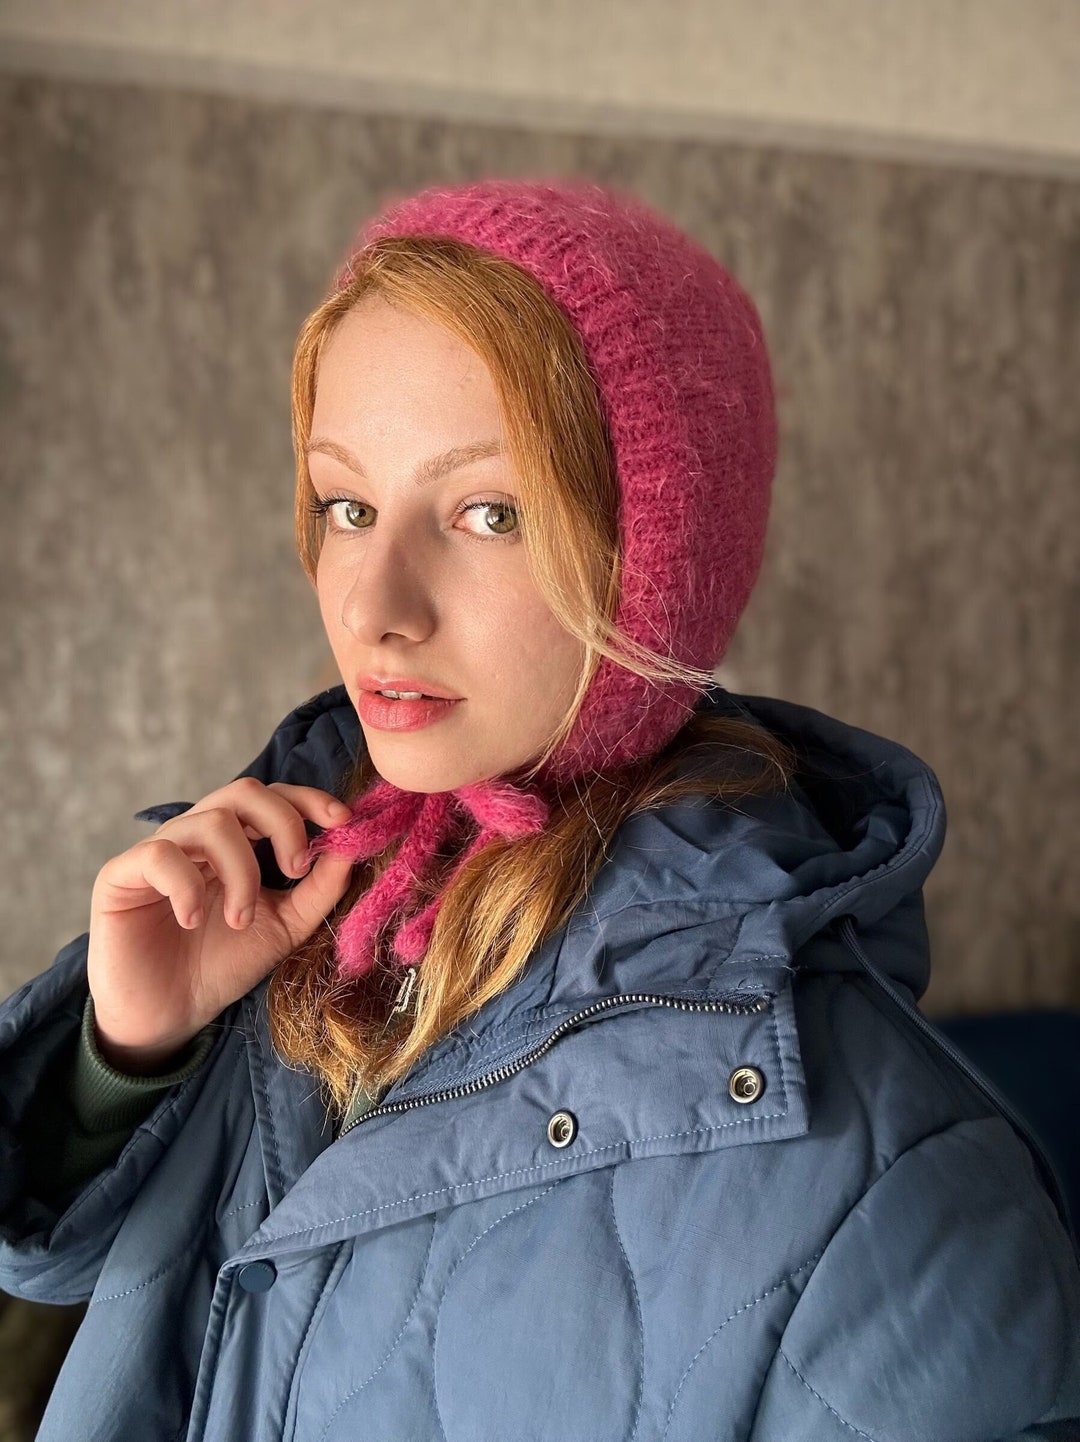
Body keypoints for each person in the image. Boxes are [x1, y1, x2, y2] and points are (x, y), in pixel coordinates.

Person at [1, 177, 1078, 1442]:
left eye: (487, 512)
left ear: (654, 556)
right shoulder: (299, 901)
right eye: (349, 504)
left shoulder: (907, 1207)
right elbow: (62, 1276)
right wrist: (124, 1056)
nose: (374, 605)